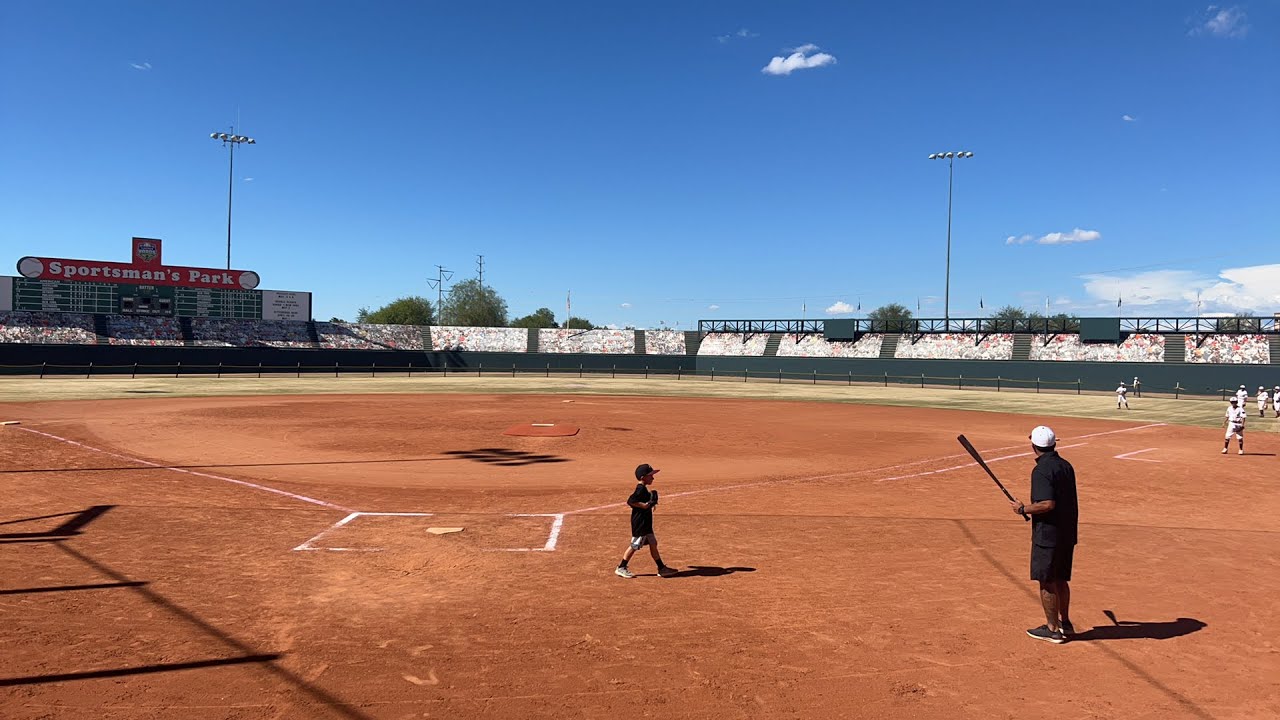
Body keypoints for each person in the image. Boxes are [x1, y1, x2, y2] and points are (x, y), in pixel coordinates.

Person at [1008, 426, 1078, 644]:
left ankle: (1052, 629)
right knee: (1061, 579)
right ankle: (1065, 623)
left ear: (1033, 446)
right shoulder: (1065, 465)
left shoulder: (1041, 471)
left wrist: (1022, 509)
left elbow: (1047, 504)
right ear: (1053, 444)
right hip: (1067, 533)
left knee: (1046, 580)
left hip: (1048, 535)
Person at [615, 463, 677, 578]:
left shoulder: (644, 489)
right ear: (643, 477)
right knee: (634, 546)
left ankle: (662, 568)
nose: (653, 477)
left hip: (646, 524)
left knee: (653, 543)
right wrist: (645, 506)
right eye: (650, 475)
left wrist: (649, 502)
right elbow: (630, 501)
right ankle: (621, 567)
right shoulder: (640, 489)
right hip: (640, 524)